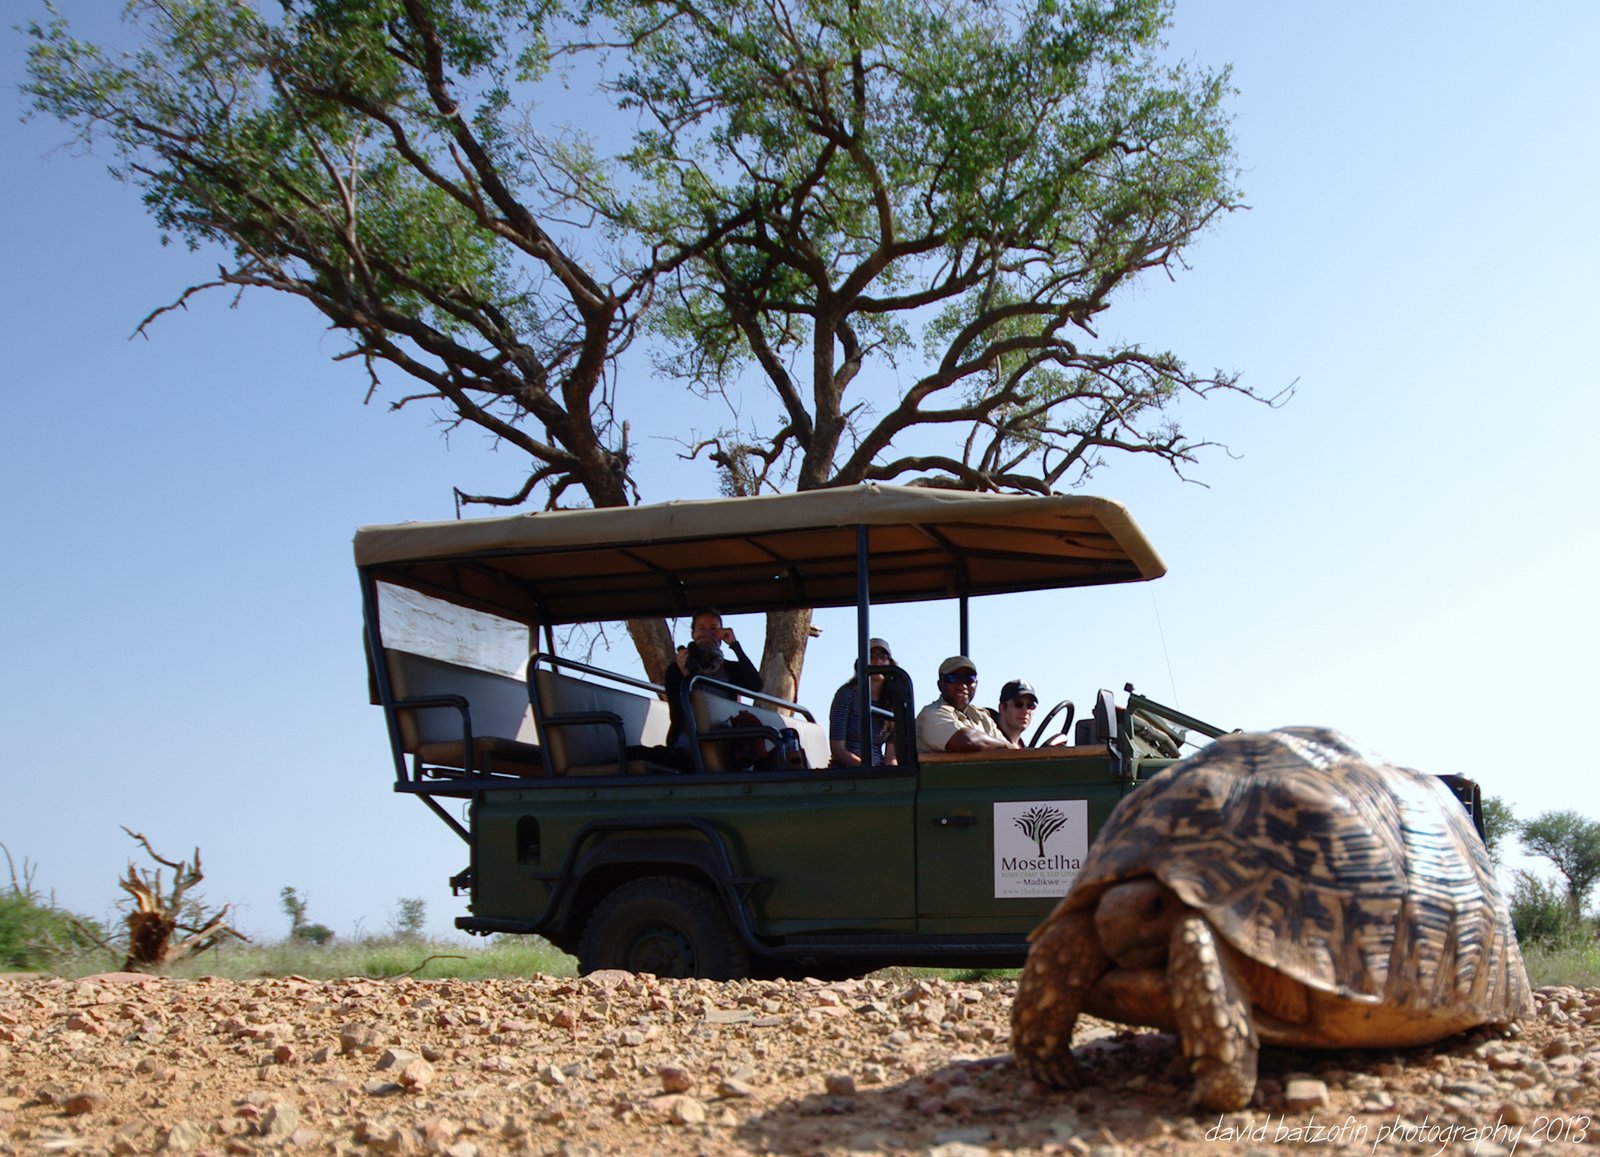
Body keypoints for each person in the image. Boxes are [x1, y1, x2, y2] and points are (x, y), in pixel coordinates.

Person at [662, 608, 764, 747]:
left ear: (721, 634)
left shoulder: (730, 669)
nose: (707, 634)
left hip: (725, 736)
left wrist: (735, 645)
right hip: (689, 737)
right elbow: (678, 716)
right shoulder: (676, 670)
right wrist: (686, 675)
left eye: (713, 629)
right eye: (701, 628)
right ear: (693, 634)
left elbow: (755, 685)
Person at [915, 656, 1016, 753]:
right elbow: (967, 740)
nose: (962, 685)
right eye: (953, 678)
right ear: (940, 685)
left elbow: (1011, 753)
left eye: (969, 679)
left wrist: (1005, 746)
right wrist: (1004, 745)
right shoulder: (930, 715)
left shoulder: (981, 717)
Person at [828, 637, 900, 767]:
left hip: (878, 772)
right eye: (871, 656)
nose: (877, 662)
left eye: (883, 657)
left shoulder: (893, 702)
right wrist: (867, 769)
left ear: (890, 663)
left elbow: (890, 757)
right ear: (861, 663)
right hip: (847, 772)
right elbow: (838, 750)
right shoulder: (846, 694)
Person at [991, 678, 1070, 748]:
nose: (1025, 711)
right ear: (1002, 707)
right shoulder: (986, 732)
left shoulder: (1025, 751)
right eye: (1018, 704)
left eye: (1030, 706)